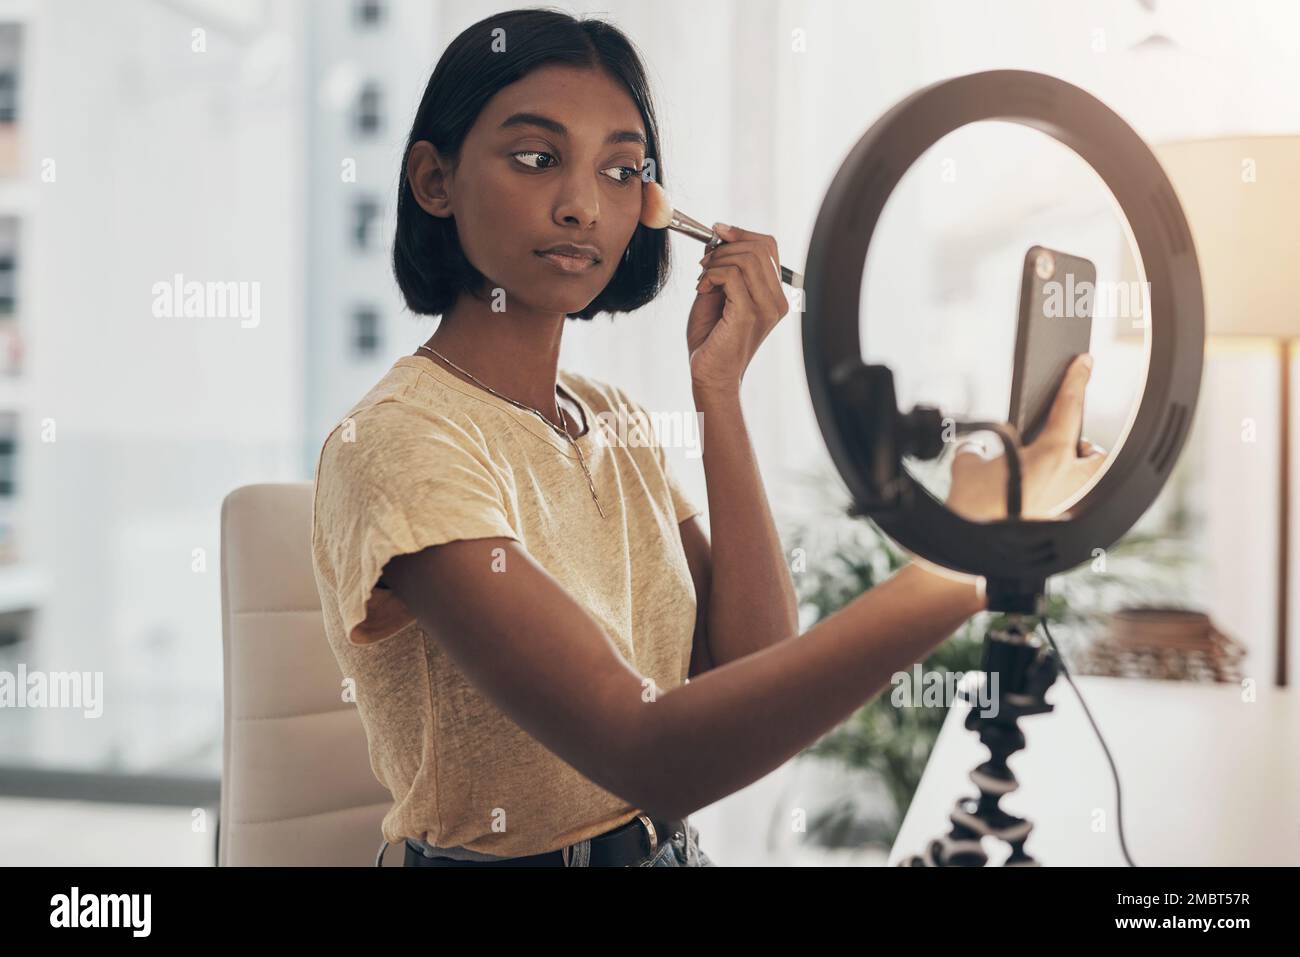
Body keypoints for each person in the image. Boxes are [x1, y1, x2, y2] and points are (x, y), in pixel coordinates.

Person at [310, 7, 1106, 868]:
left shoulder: (607, 416)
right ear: (435, 180)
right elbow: (648, 752)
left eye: (621, 171)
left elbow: (751, 663)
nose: (582, 206)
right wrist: (959, 563)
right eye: (537, 159)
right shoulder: (398, 443)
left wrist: (718, 390)